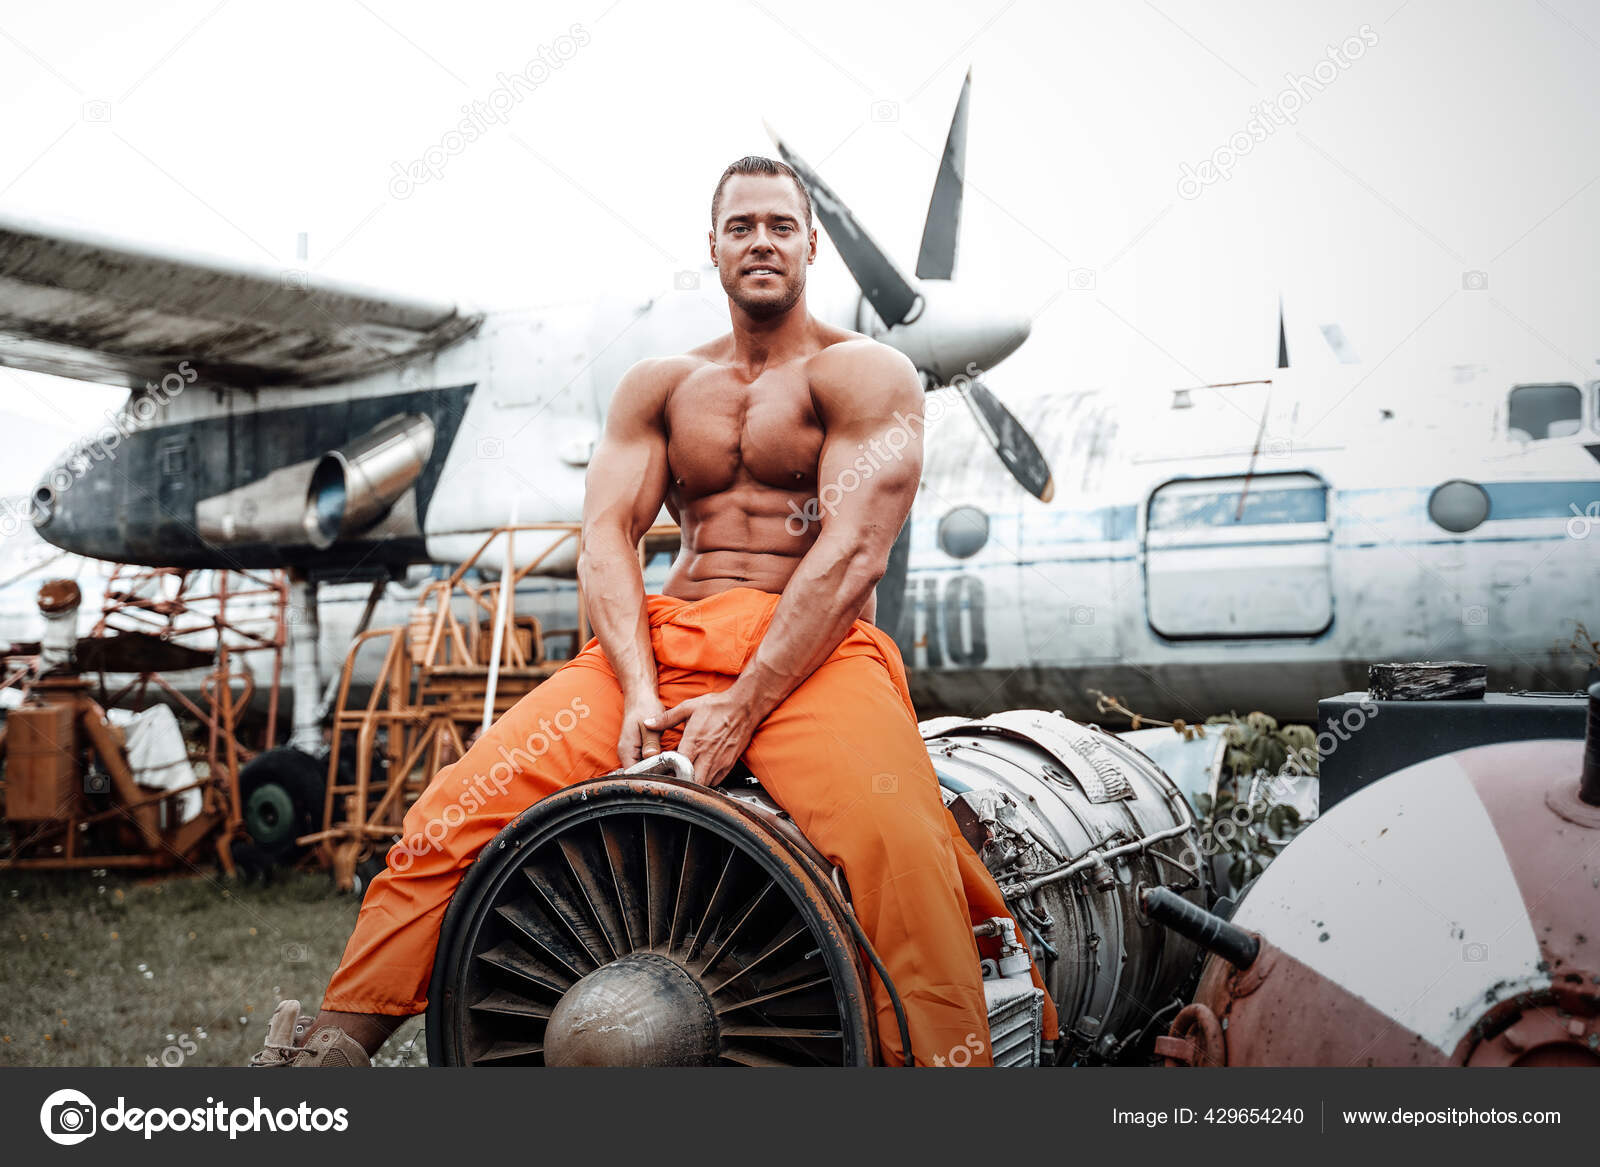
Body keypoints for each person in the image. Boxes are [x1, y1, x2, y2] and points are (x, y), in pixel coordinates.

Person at [252, 155, 1056, 1068]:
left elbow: (851, 555)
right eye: (742, 226)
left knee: (904, 858)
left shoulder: (870, 373)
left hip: (815, 654)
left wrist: (743, 705)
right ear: (711, 248)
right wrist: (636, 688)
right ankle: (321, 1060)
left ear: (811, 245)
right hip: (666, 644)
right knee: (444, 818)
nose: (762, 241)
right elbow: (606, 538)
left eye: (781, 225)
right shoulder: (660, 385)